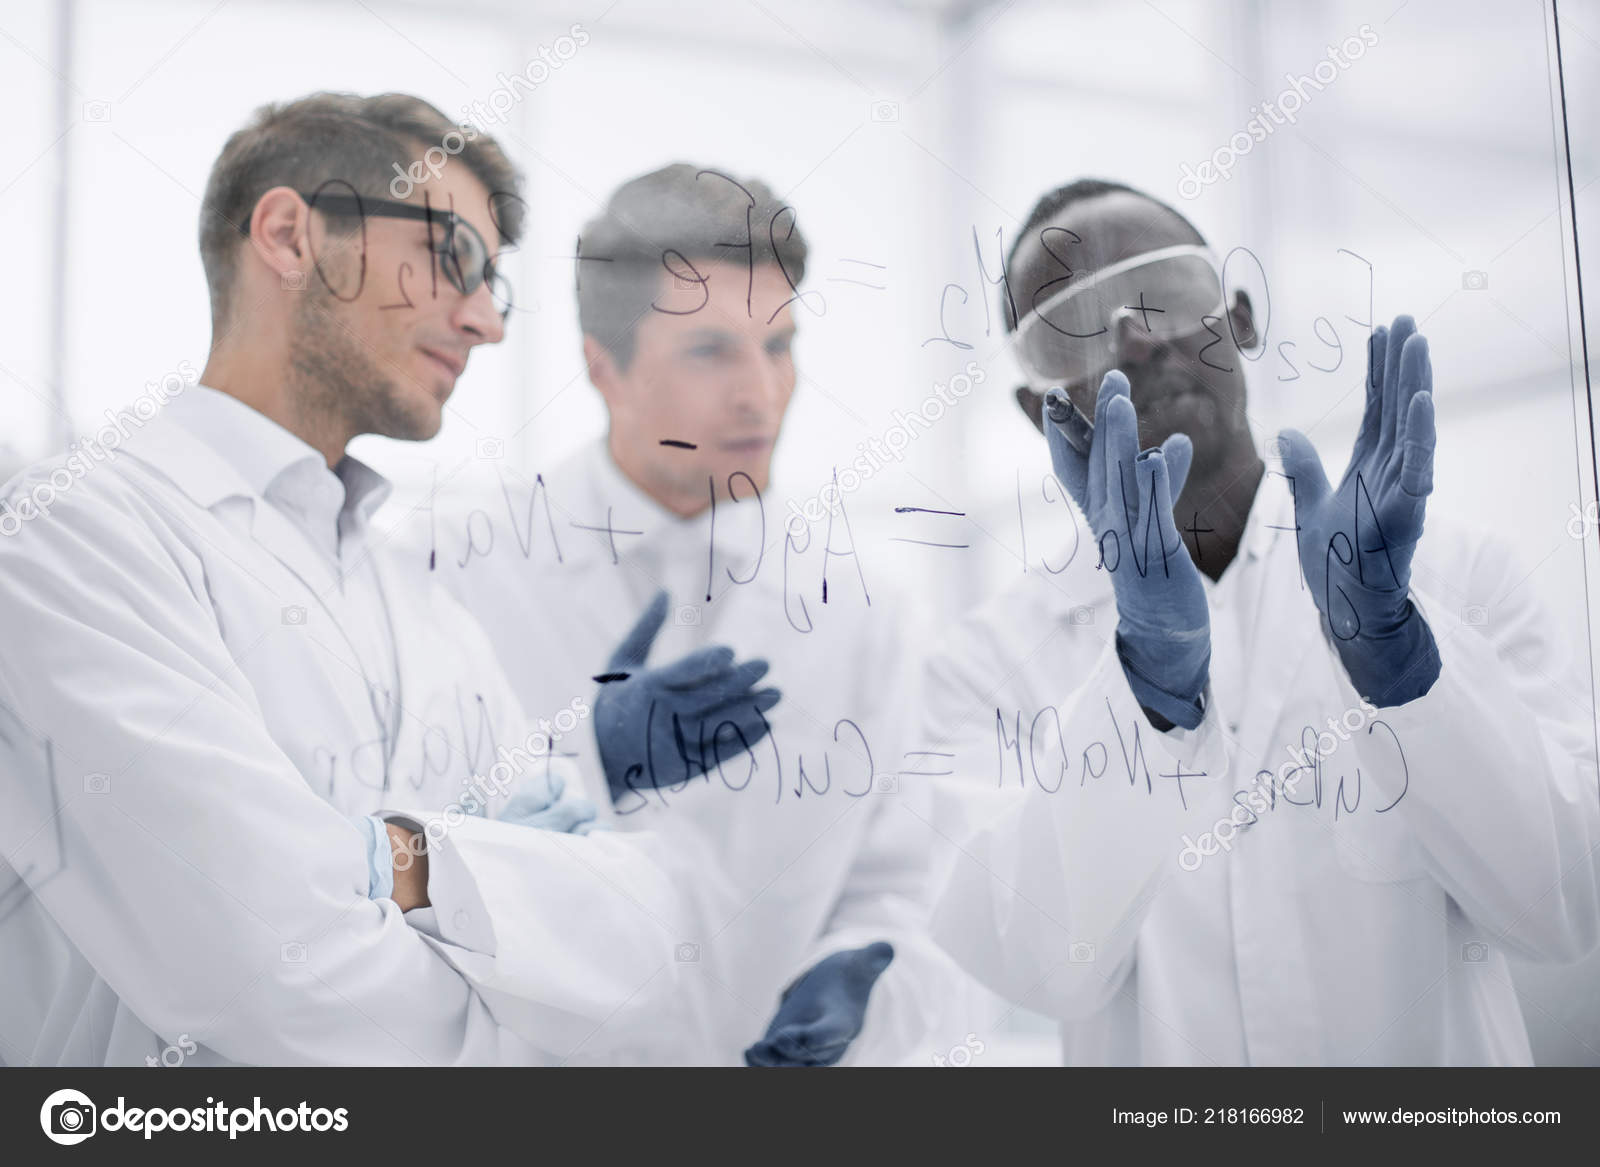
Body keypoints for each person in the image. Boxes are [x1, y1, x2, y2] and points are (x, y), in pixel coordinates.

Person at [0, 93, 771, 1066]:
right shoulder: (75, 538)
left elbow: (646, 936)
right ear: (288, 235)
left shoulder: (416, 598)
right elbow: (279, 984)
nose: (486, 320)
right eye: (454, 258)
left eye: (498, 286)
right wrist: (511, 935)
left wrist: (402, 860)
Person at [923, 178, 1600, 1064]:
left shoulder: (1459, 578)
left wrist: (1392, 650)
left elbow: (1565, 900)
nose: (1135, 333)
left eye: (1165, 292)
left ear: (1236, 317)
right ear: (1037, 403)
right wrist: (1149, 681)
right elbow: (1038, 961)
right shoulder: (985, 664)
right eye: (1077, 324)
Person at [411, 163, 988, 1066]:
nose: (760, 394)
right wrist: (582, 759)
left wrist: (858, 977)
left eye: (781, 345)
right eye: (711, 352)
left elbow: (904, 876)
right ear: (605, 367)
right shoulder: (454, 571)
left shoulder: (866, 610)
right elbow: (388, 856)